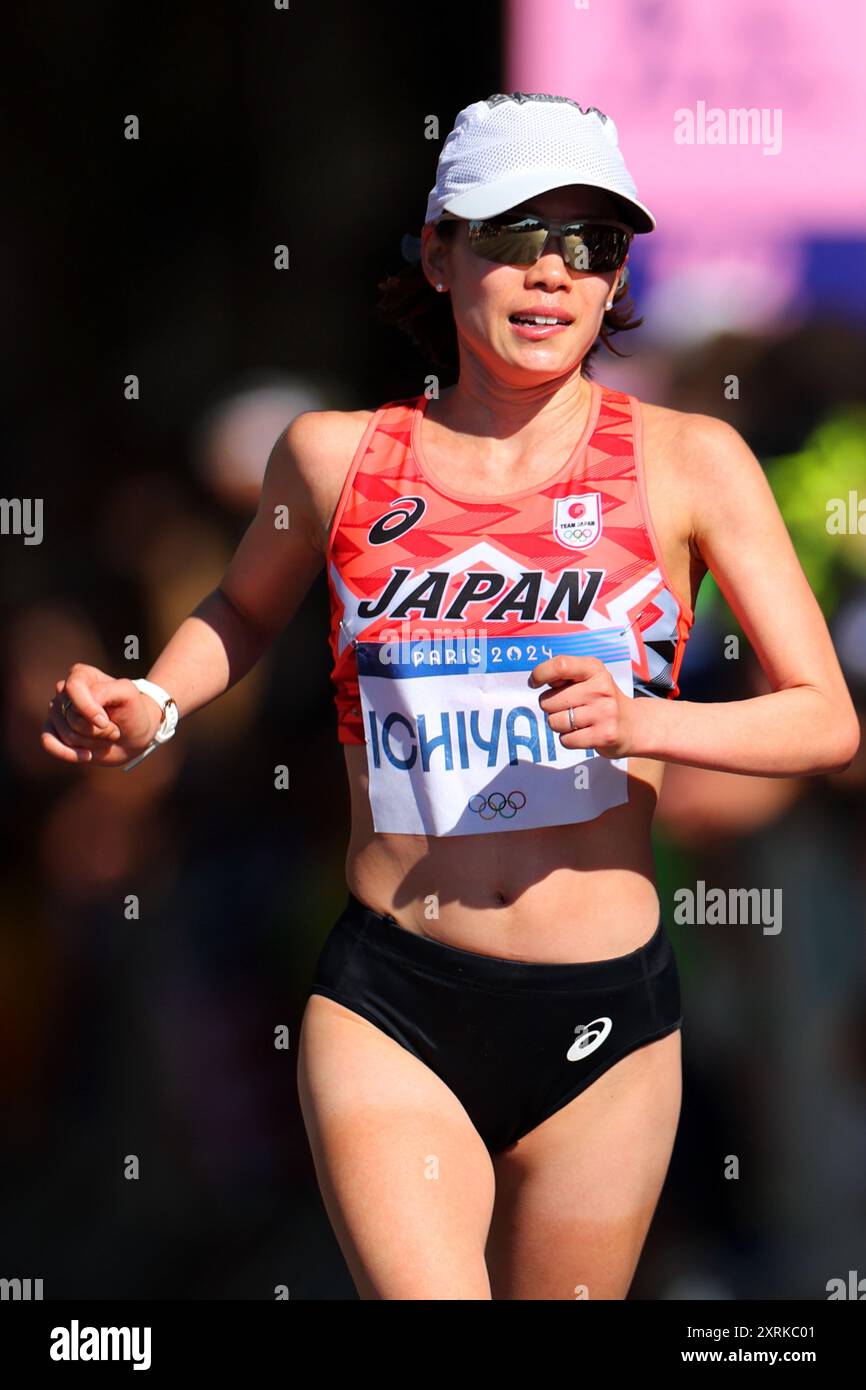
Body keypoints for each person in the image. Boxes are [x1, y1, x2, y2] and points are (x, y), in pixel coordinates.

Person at [41, 93, 860, 1300]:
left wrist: (645, 720)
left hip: (605, 1018)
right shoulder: (330, 457)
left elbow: (824, 715)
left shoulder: (689, 459)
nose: (549, 272)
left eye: (587, 242)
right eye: (511, 232)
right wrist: (152, 704)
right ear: (436, 251)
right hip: (392, 999)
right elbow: (240, 612)